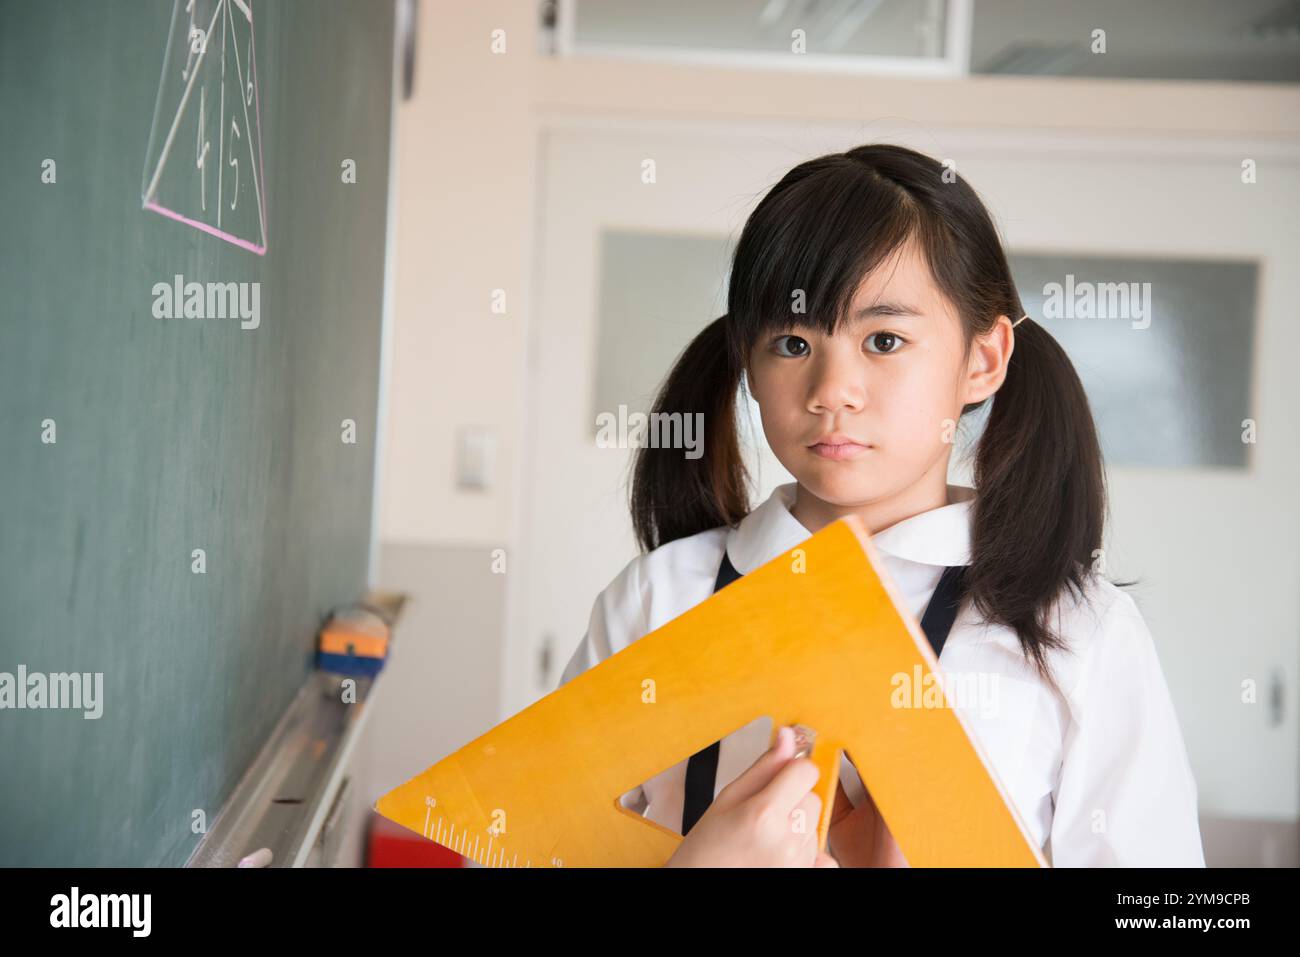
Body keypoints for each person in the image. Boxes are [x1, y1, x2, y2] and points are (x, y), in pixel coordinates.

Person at [558, 143, 1204, 868]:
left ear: (982, 360)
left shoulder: (1076, 628)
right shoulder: (657, 599)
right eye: (793, 342)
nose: (833, 389)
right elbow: (531, 839)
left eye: (885, 339)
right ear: (749, 361)